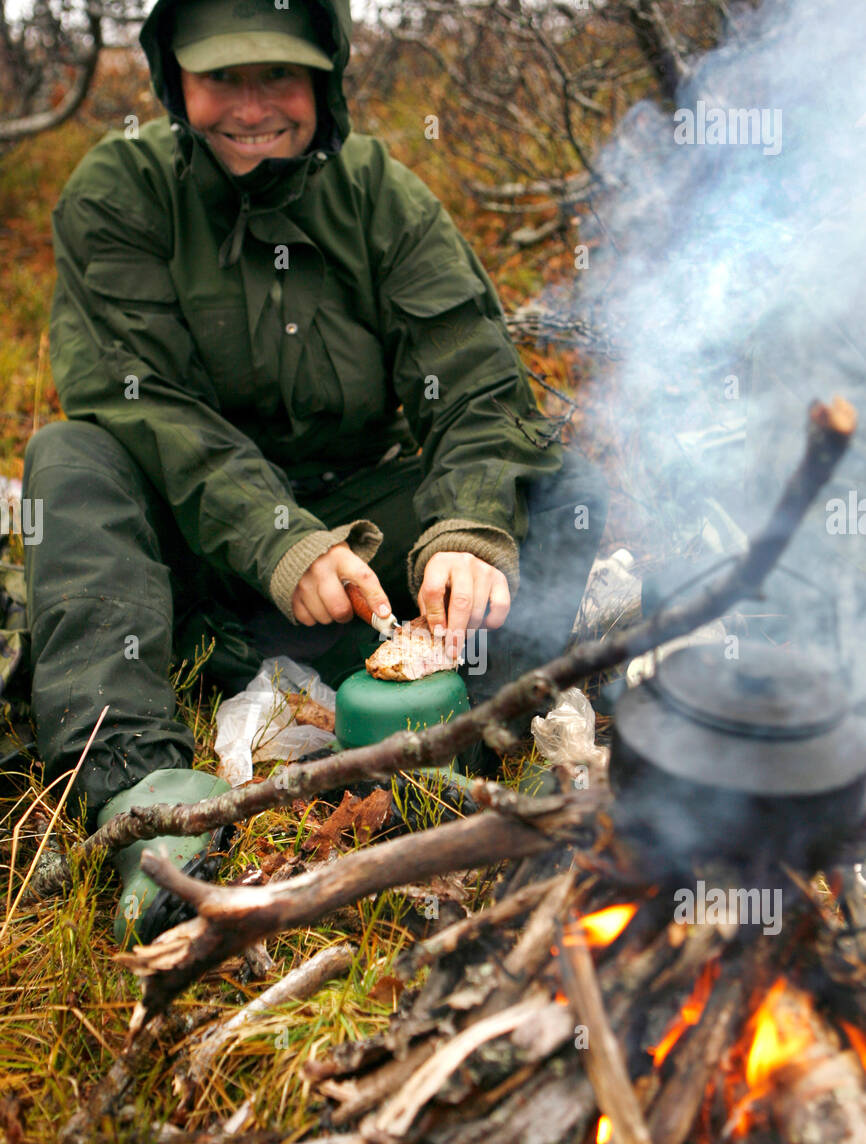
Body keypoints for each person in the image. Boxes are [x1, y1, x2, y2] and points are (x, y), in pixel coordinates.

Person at [24, 0, 607, 940]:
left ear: (325, 79)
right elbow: (150, 408)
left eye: (278, 77)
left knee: (558, 485)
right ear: (176, 83)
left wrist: (463, 530)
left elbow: (477, 386)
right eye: (222, 79)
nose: (252, 107)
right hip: (180, 571)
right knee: (69, 453)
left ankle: (477, 728)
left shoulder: (381, 195)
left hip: (358, 568)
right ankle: (143, 793)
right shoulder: (120, 193)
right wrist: (282, 541)